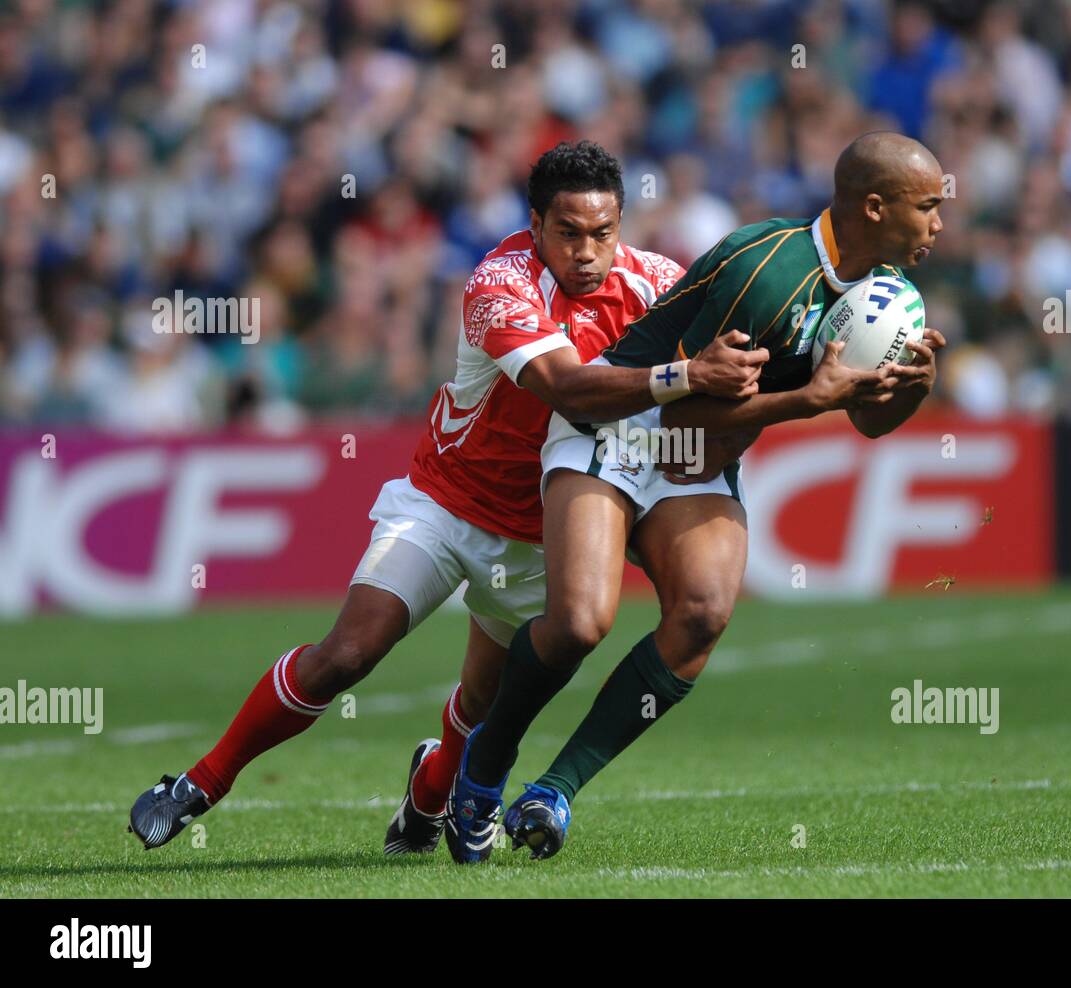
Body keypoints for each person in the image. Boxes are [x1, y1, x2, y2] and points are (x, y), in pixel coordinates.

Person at [126, 140, 776, 851]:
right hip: (446, 504)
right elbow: (563, 386)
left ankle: (429, 797)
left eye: (603, 232)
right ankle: (199, 781)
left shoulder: (659, 283)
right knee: (348, 653)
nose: (586, 251)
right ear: (535, 225)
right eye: (568, 233)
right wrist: (686, 377)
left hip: (545, 532)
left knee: (479, 703)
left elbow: (726, 371)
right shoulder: (500, 283)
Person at [443, 131, 949, 862]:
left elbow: (869, 421)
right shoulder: (767, 269)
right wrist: (809, 401)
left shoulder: (891, 294)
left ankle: (555, 790)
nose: (939, 222)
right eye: (927, 207)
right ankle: (483, 768)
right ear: (875, 207)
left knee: (704, 613)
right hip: (619, 427)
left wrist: (913, 390)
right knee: (581, 623)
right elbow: (684, 414)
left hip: (703, 457)